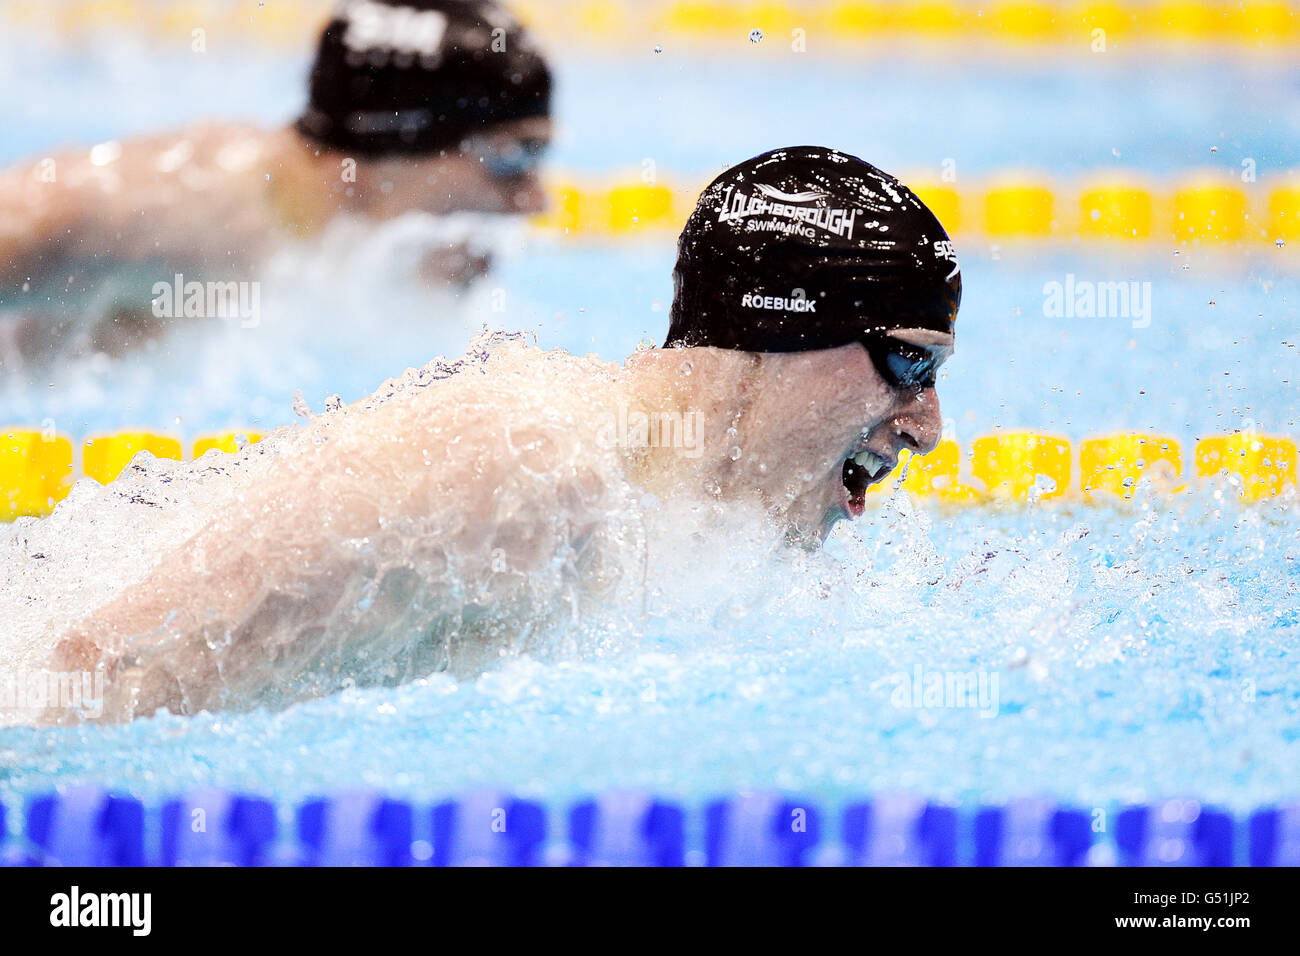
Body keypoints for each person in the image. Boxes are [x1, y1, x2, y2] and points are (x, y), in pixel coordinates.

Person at [41, 145, 960, 723]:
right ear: (780, 329)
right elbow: (100, 674)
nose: (926, 428)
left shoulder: (680, 516)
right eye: (910, 365)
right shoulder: (524, 469)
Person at [0, 0, 551, 365]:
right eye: (511, 158)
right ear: (380, 151)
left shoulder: (327, 245)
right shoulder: (146, 211)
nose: (534, 200)